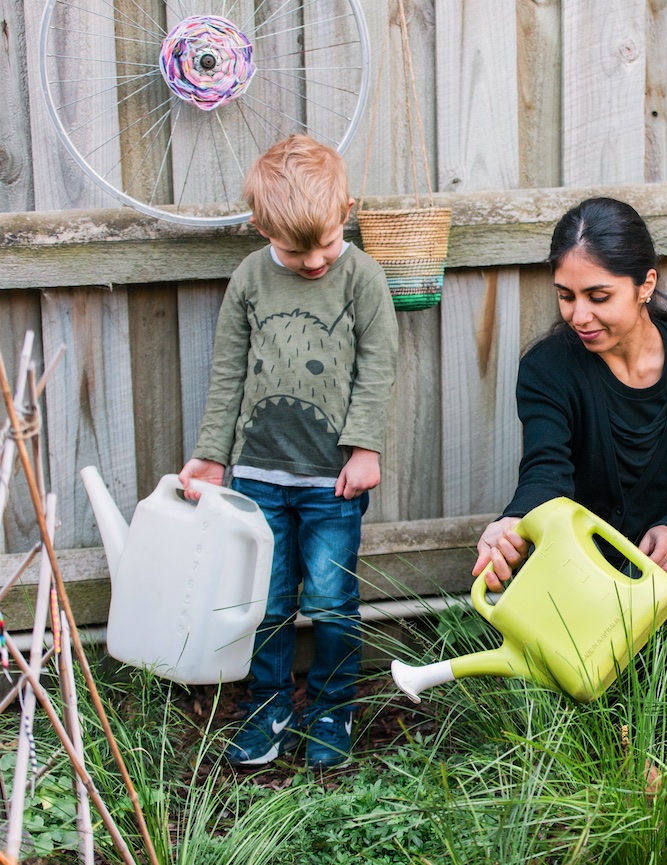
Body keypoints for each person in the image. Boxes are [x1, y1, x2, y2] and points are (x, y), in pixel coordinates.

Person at [180, 134, 398, 770]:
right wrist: (212, 455)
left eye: (325, 243)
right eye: (295, 250)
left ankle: (332, 708)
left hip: (333, 482)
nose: (313, 261)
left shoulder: (362, 277)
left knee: (330, 600)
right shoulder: (250, 278)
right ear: (261, 227)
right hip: (257, 477)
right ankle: (268, 708)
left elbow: (378, 367)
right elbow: (228, 372)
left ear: (346, 212)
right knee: (267, 604)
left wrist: (364, 448)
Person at [473, 197, 667, 642]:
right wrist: (515, 519)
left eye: (598, 297)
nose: (579, 316)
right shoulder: (548, 369)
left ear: (645, 285)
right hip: (574, 563)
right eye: (566, 296)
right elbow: (546, 470)